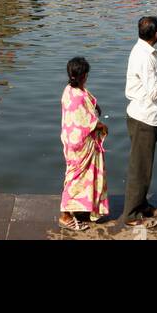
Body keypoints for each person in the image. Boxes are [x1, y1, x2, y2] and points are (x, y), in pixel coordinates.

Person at [123, 16, 157, 229]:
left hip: (148, 116)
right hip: (143, 118)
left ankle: (142, 204)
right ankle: (131, 214)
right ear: (156, 34)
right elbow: (153, 91)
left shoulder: (145, 51)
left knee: (145, 165)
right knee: (140, 167)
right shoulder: (145, 56)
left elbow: (152, 86)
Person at [59, 57, 109, 232]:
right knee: (76, 178)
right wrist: (101, 125)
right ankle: (65, 215)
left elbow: (84, 109)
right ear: (84, 75)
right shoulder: (78, 96)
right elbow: (86, 123)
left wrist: (96, 107)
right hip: (81, 145)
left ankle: (80, 208)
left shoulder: (68, 90)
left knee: (75, 176)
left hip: (70, 141)